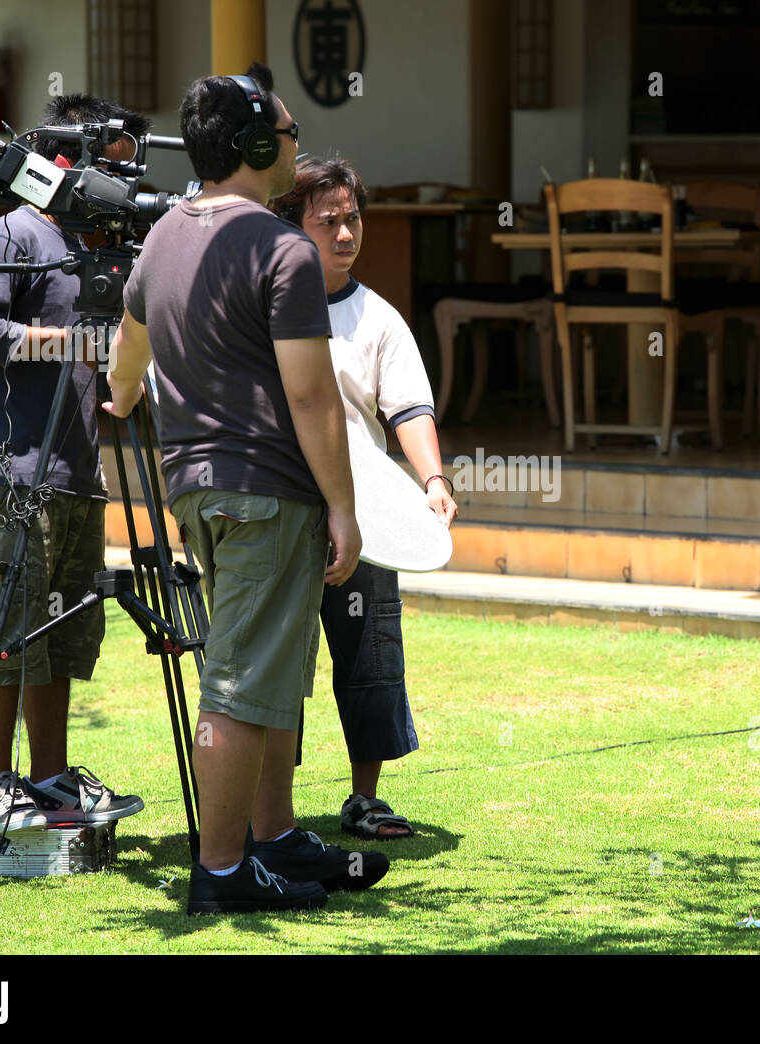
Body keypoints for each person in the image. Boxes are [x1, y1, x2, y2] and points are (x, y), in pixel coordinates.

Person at [106, 66, 388, 915]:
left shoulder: (160, 240)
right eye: (290, 136)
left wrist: (119, 397)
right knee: (239, 684)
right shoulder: (282, 250)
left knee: (266, 674)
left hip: (197, 490)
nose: (296, 150)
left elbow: (124, 373)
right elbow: (309, 397)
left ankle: (273, 838)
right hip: (267, 491)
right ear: (259, 146)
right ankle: (223, 869)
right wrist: (343, 505)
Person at [0, 93, 150, 835]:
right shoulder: (16, 230)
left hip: (75, 473)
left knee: (62, 635)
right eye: (114, 163)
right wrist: (62, 343)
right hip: (10, 472)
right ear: (69, 157)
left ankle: (52, 782)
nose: (123, 184)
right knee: (4, 633)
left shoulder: (97, 249)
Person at [274, 155, 457, 840]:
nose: (346, 233)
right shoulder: (262, 311)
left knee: (370, 656)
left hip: (368, 513)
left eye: (353, 218)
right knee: (276, 664)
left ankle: (364, 799)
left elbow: (409, 407)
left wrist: (433, 482)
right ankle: (273, 808)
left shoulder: (376, 316)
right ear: (292, 227)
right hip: (284, 508)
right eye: (329, 221)